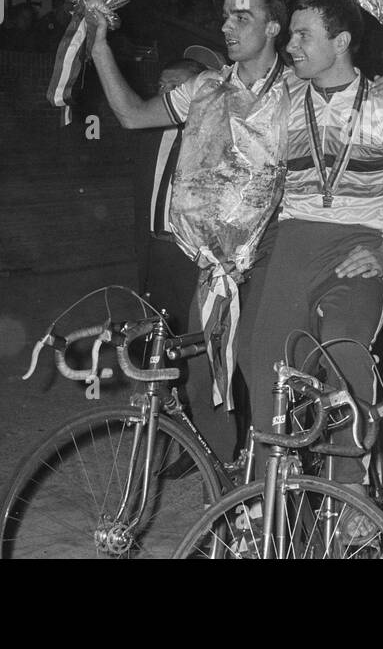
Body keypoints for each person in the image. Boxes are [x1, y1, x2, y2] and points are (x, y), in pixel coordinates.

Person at [239, 0, 383, 495]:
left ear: (343, 41)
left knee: (345, 366)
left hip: (357, 249)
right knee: (263, 370)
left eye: (303, 34)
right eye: (290, 34)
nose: (291, 44)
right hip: (290, 247)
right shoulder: (280, 103)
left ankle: (350, 498)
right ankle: (270, 499)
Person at [86, 0, 296, 443]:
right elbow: (132, 115)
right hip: (213, 263)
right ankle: (225, 499)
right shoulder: (204, 88)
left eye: (242, 17)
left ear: (274, 27)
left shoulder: (301, 90)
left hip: (273, 252)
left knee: (259, 366)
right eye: (225, 16)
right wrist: (100, 46)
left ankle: (279, 489)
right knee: (202, 376)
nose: (227, 26)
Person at [133, 49, 236, 459]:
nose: (164, 93)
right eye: (160, 86)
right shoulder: (148, 137)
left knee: (196, 353)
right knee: (154, 347)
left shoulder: (213, 137)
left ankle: (205, 447)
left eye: (173, 86)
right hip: (155, 255)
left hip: (192, 257)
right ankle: (166, 436)